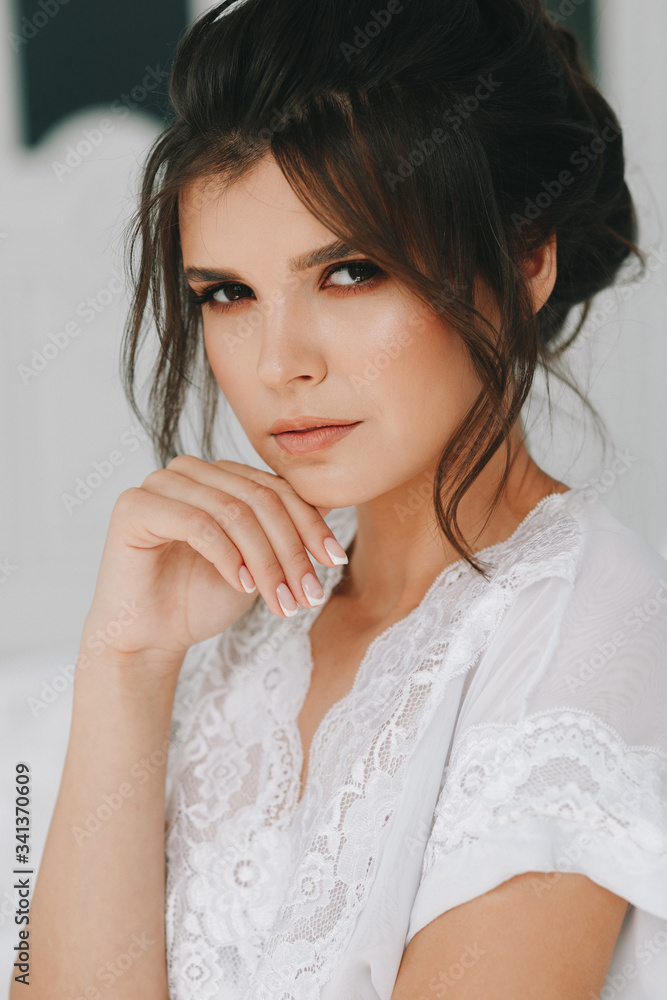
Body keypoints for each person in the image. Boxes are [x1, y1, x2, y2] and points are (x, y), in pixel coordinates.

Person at [18, 0, 667, 998]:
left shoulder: (588, 624)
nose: (278, 364)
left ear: (526, 259)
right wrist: (128, 663)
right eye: (226, 293)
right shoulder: (232, 627)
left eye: (350, 272)